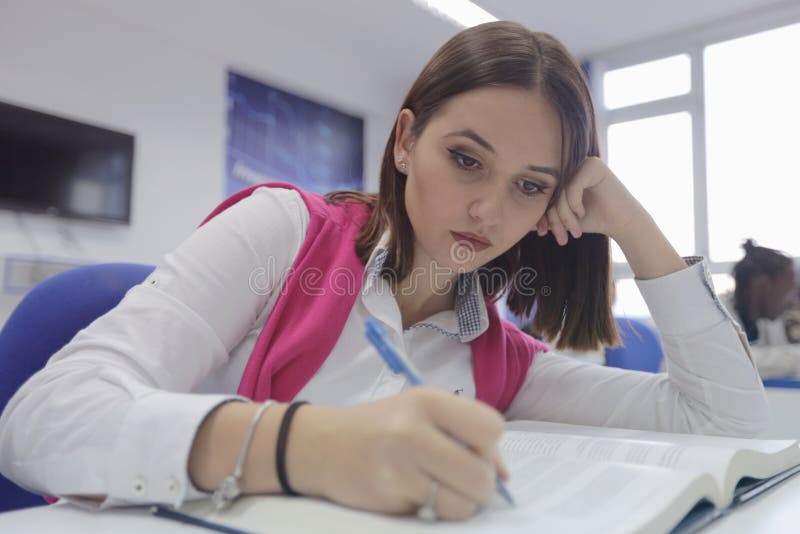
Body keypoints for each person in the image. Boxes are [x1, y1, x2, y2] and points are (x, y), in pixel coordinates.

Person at [0, 21, 767, 522]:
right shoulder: (284, 233)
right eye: (465, 159)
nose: (489, 211)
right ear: (405, 142)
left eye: (530, 186)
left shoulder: (501, 361)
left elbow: (727, 421)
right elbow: (40, 419)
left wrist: (637, 229)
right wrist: (312, 446)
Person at [721, 239, 800, 378]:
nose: (792, 302)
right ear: (762, 286)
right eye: (788, 292)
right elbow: (735, 362)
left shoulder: (767, 323)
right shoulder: (717, 316)